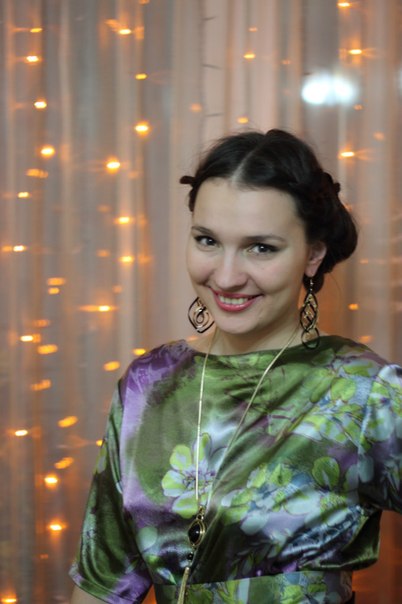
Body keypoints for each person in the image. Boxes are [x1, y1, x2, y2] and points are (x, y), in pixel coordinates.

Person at [70, 129, 402, 604]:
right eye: (207, 240)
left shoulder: (362, 389)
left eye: (261, 247)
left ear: (313, 253)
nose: (226, 277)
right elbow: (103, 580)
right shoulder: (149, 383)